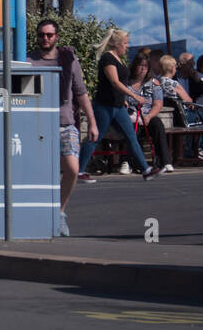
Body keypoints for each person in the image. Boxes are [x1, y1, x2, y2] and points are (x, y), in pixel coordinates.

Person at [29, 19, 97, 237]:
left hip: (65, 123)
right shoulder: (28, 61)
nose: (45, 39)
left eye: (49, 35)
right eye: (41, 35)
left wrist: (92, 122)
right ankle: (39, 214)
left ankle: (59, 212)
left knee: (73, 169)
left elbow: (81, 92)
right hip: (36, 125)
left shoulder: (68, 59)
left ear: (56, 37)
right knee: (37, 173)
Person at [78, 28, 161, 181]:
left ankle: (146, 170)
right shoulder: (107, 59)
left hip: (118, 106)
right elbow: (114, 82)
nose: (127, 46)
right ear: (116, 44)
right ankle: (79, 171)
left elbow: (118, 84)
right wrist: (134, 96)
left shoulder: (118, 58)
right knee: (95, 137)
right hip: (104, 106)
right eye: (125, 43)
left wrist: (122, 98)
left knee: (131, 137)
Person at [125, 52, 170, 173]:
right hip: (131, 116)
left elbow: (158, 104)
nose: (143, 68)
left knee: (157, 125)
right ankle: (128, 163)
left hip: (147, 116)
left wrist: (149, 116)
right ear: (135, 66)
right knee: (129, 128)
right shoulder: (126, 83)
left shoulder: (153, 83)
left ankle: (165, 162)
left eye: (145, 65)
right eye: (140, 65)